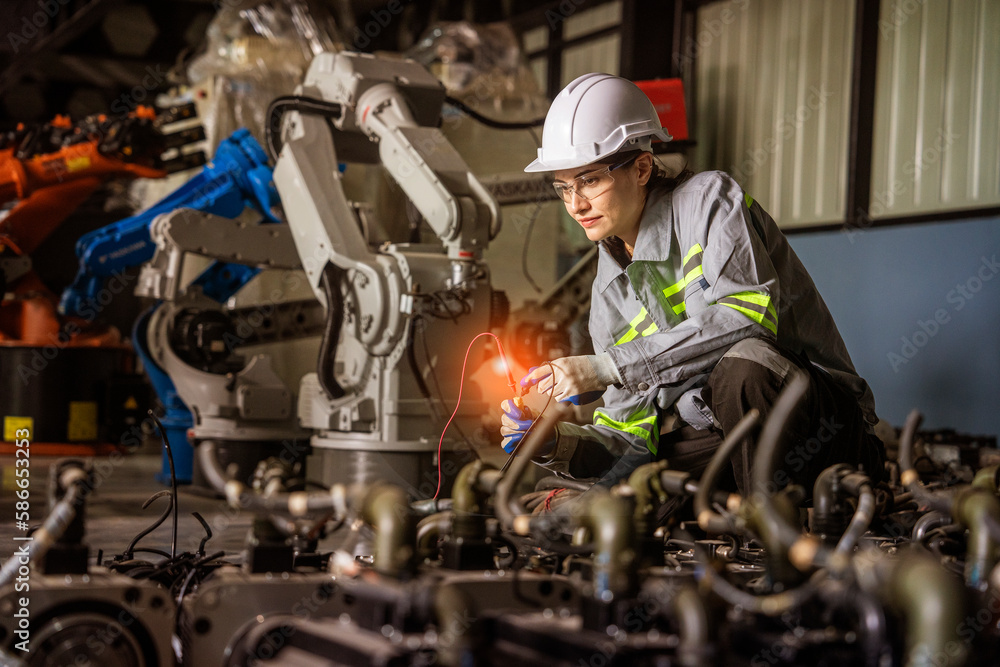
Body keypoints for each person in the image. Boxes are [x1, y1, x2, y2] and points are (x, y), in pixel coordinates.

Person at [500, 72, 884, 495]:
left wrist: (607, 367)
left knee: (745, 364)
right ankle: (731, 521)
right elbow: (630, 440)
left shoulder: (709, 200)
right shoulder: (608, 295)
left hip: (821, 424)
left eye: (590, 180)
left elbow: (747, 318)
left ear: (642, 167)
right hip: (726, 434)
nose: (576, 204)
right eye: (564, 187)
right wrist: (553, 442)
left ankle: (771, 537)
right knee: (627, 492)